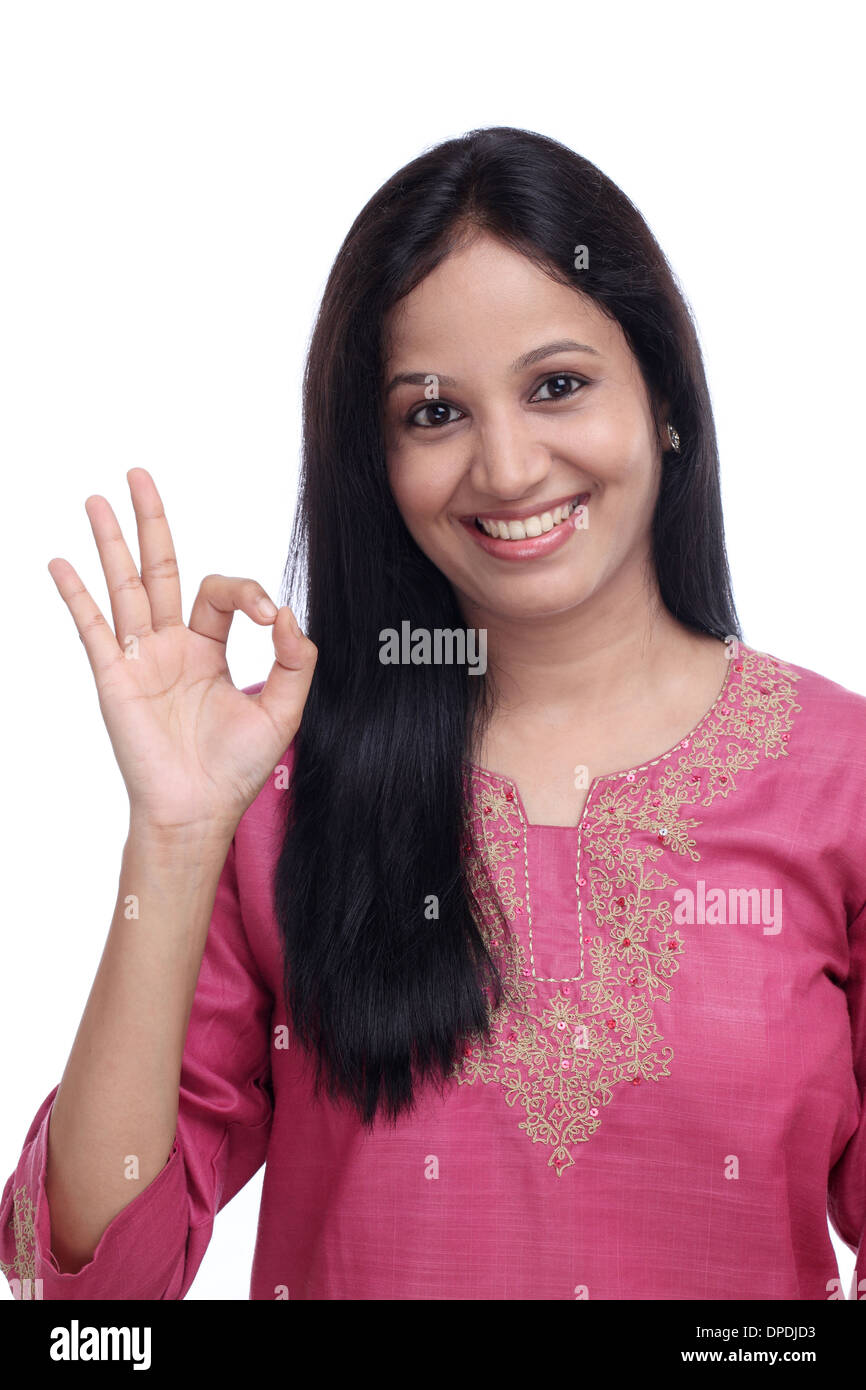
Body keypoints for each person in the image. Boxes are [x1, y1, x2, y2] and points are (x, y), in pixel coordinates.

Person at [3, 126, 865, 1301]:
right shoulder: (281, 787)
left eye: (556, 385)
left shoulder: (840, 777)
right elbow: (94, 1288)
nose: (506, 469)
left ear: (661, 393)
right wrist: (175, 835)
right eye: (432, 412)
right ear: (375, 457)